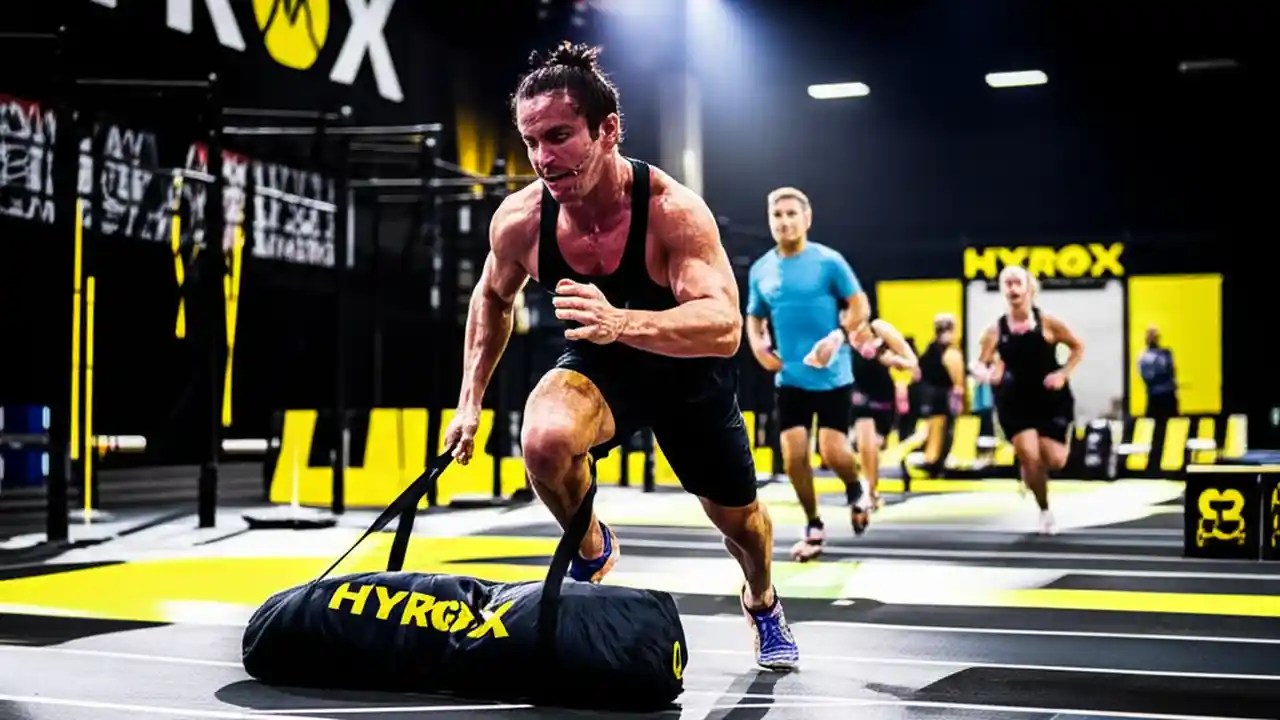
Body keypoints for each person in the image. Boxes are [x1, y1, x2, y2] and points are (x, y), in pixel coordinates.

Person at [443, 42, 799, 671]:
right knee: (544, 442)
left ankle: (763, 600)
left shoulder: (671, 211)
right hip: (605, 368)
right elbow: (492, 298)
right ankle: (591, 544)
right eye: (531, 142)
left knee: (742, 526)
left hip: (690, 372)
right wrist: (469, 402)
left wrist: (619, 320)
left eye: (559, 136)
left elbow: (722, 327)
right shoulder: (521, 220)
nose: (544, 159)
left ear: (607, 130)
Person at [745, 186, 871, 563]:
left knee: (832, 451)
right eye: (777, 215)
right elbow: (754, 316)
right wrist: (758, 348)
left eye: (791, 214)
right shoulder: (761, 269)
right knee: (794, 454)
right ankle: (814, 524)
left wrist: (842, 334)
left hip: (833, 375)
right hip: (791, 378)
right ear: (770, 221)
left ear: (806, 218)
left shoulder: (829, 262)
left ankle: (855, 486)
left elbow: (858, 303)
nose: (784, 221)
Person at [972, 265, 1084, 535]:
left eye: (1016, 283)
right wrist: (990, 376)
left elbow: (1078, 347)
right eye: (1006, 284)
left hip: (1050, 399)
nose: (1012, 288)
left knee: (1055, 460)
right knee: (1031, 457)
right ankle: (1044, 510)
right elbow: (978, 364)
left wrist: (1063, 374)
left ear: (1028, 288)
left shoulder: (1048, 323)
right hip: (1015, 402)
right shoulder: (995, 330)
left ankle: (1030, 469)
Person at [847, 316, 918, 509]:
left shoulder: (879, 329)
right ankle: (870, 491)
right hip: (857, 395)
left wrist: (890, 359)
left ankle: (872, 488)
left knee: (875, 444)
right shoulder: (839, 334)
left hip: (883, 396)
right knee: (865, 437)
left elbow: (912, 363)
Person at [914, 314, 966, 475]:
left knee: (935, 429)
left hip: (929, 395)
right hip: (942, 396)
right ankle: (934, 461)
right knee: (941, 430)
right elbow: (958, 381)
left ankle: (933, 459)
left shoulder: (931, 348)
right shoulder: (950, 352)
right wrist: (961, 400)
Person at [1138, 325, 1178, 419]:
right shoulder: (1144, 356)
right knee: (1154, 424)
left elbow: (1171, 370)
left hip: (1167, 395)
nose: (1153, 339)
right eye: (1150, 336)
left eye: (1154, 337)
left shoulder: (1166, 353)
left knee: (1173, 423)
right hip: (1155, 396)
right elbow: (1148, 376)